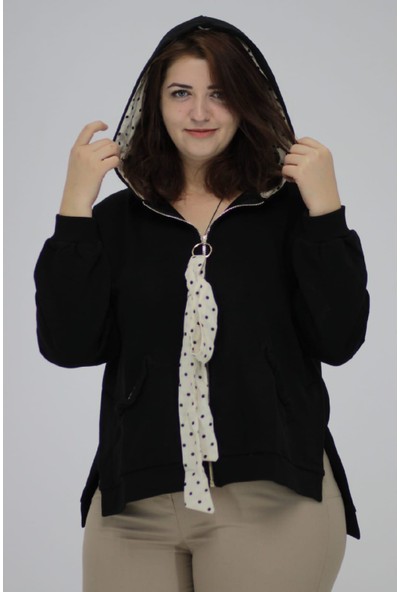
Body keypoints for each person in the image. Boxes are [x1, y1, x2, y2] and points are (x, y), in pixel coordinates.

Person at [34, 15, 369, 592]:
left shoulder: (293, 212)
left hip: (272, 498)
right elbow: (67, 346)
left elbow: (339, 341)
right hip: (132, 503)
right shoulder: (114, 221)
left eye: (220, 93)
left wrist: (327, 213)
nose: (199, 112)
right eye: (181, 93)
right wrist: (74, 205)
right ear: (154, 104)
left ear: (247, 102)